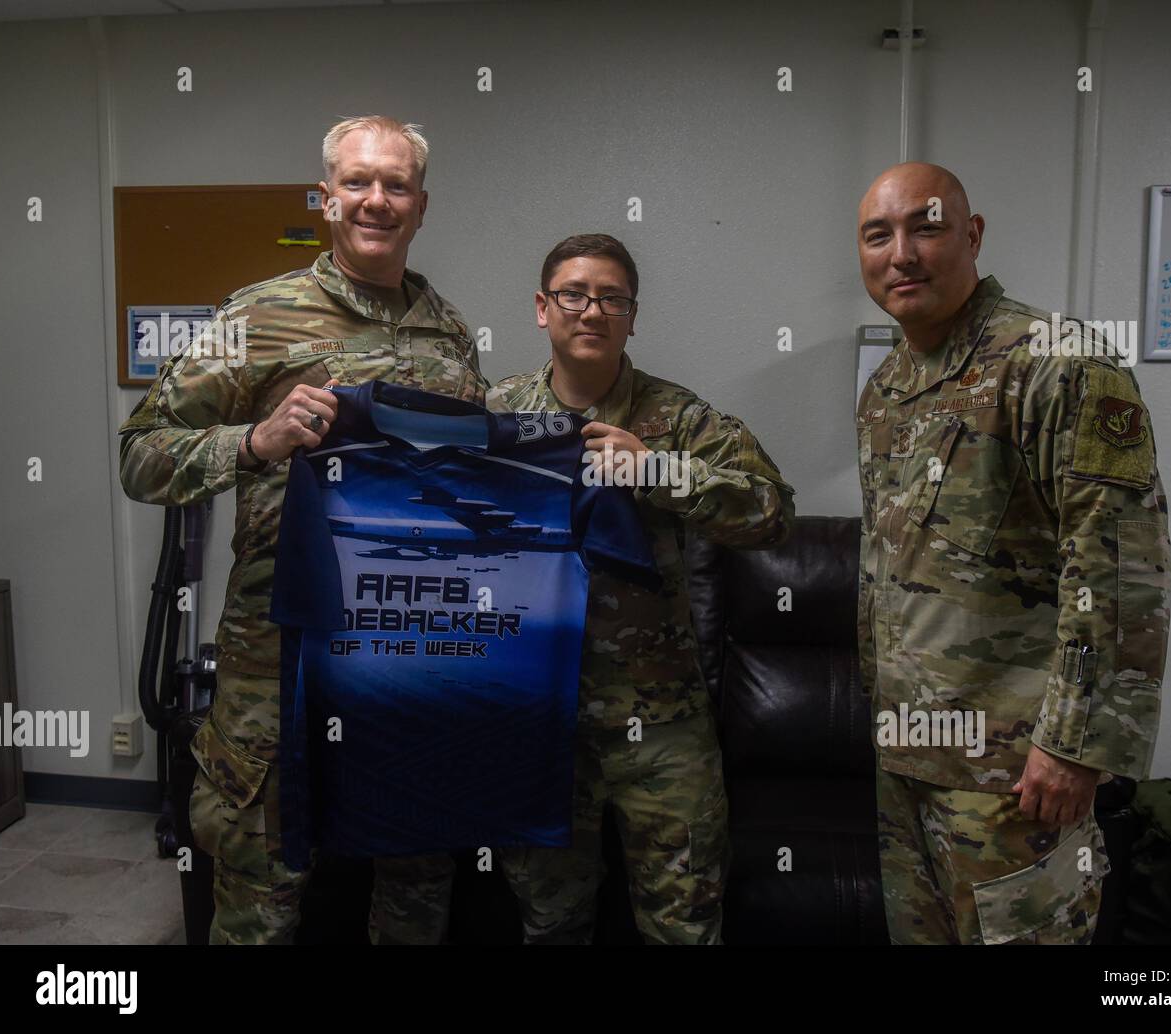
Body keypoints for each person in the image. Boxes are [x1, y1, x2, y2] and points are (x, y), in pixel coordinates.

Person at [119, 115, 486, 944]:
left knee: (417, 874)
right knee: (262, 887)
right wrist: (253, 441)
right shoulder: (261, 316)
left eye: (396, 185)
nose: (376, 200)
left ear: (421, 206)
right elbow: (141, 456)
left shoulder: (451, 331)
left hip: (411, 650)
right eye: (358, 182)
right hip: (278, 656)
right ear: (327, 197)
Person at [854, 163, 1171, 944]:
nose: (902, 253)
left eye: (925, 226)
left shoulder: (1060, 363)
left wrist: (1074, 747)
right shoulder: (886, 387)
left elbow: (1121, 568)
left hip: (1017, 775)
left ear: (973, 234)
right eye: (878, 235)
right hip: (908, 756)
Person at [487, 233, 794, 944]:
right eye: (573, 294)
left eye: (611, 298)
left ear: (633, 314)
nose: (591, 311)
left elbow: (773, 512)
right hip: (538, 714)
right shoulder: (497, 416)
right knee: (550, 922)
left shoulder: (677, 418)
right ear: (542, 308)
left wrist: (661, 471)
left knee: (684, 925)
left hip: (660, 720)